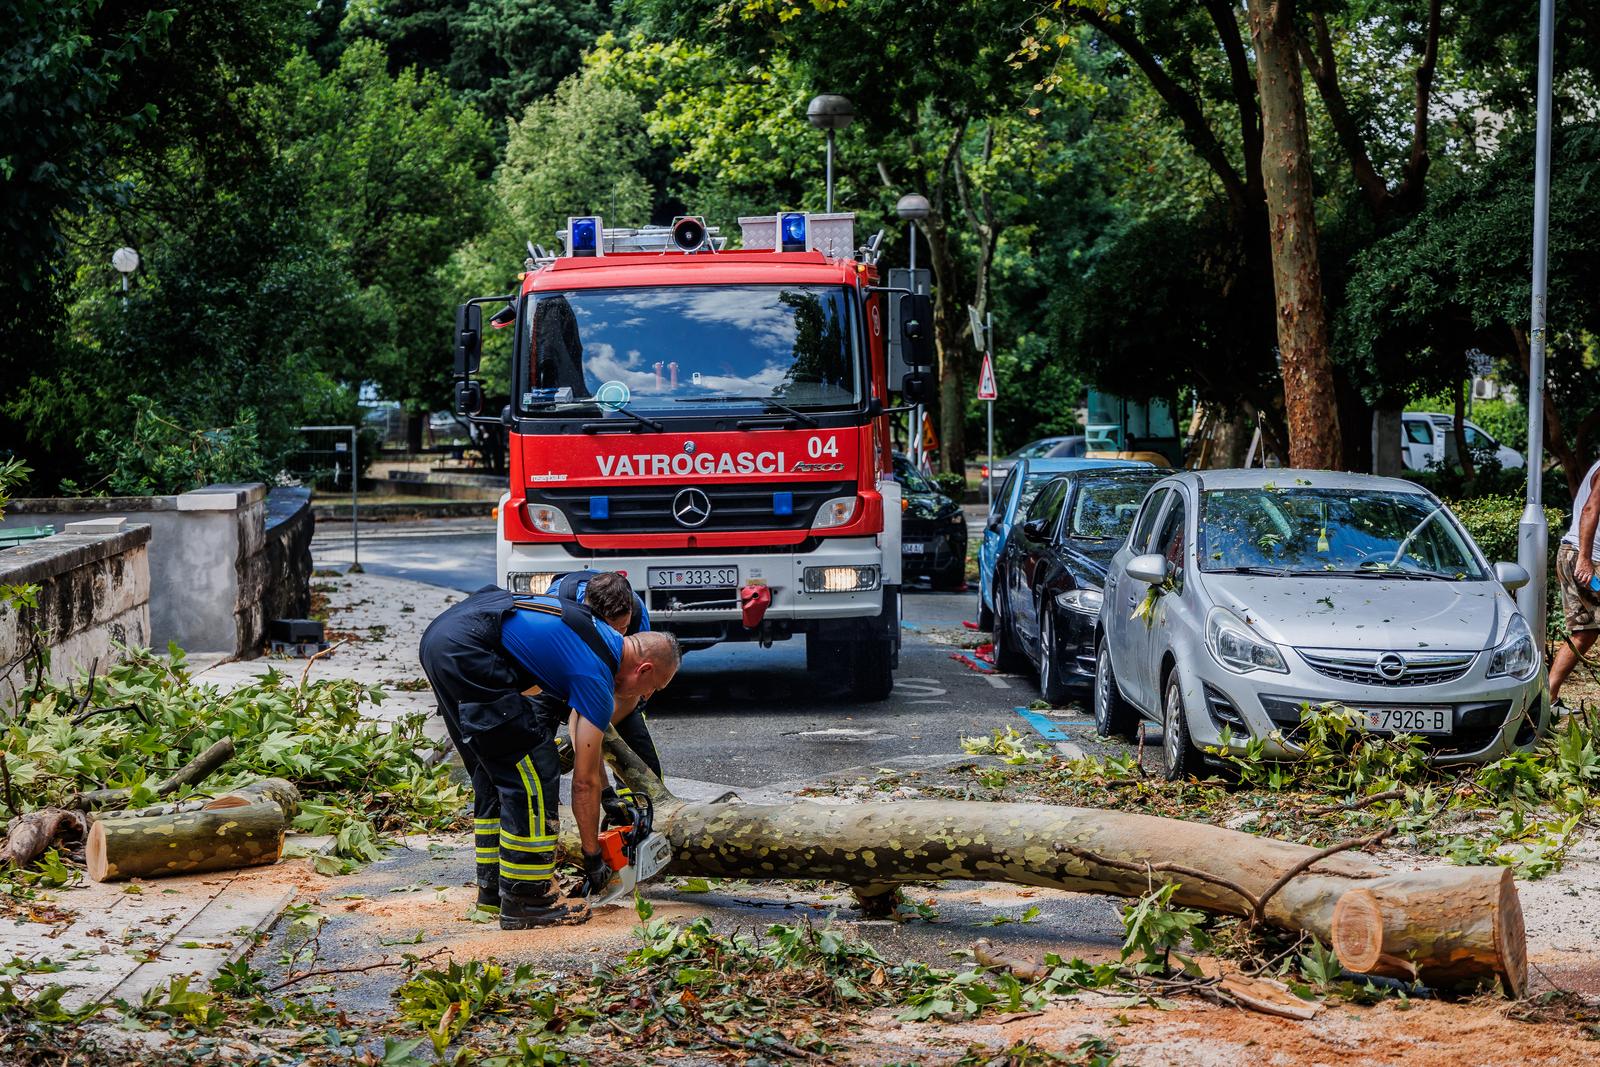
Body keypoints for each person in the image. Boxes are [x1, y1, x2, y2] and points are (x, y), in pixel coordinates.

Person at [419, 582, 680, 929]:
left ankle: (494, 889)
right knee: (535, 772)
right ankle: (528, 901)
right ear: (644, 669)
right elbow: (583, 782)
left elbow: (584, 741)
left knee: (493, 772)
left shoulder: (599, 634)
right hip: (470, 648)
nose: (647, 695)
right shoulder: (596, 672)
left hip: (445, 636)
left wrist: (609, 796)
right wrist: (592, 857)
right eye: (654, 688)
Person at [1550, 459, 1600, 705]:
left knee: (1585, 632)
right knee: (1586, 631)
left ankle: (1547, 695)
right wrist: (1586, 560)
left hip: (1571, 554)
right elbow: (1590, 509)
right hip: (1588, 562)